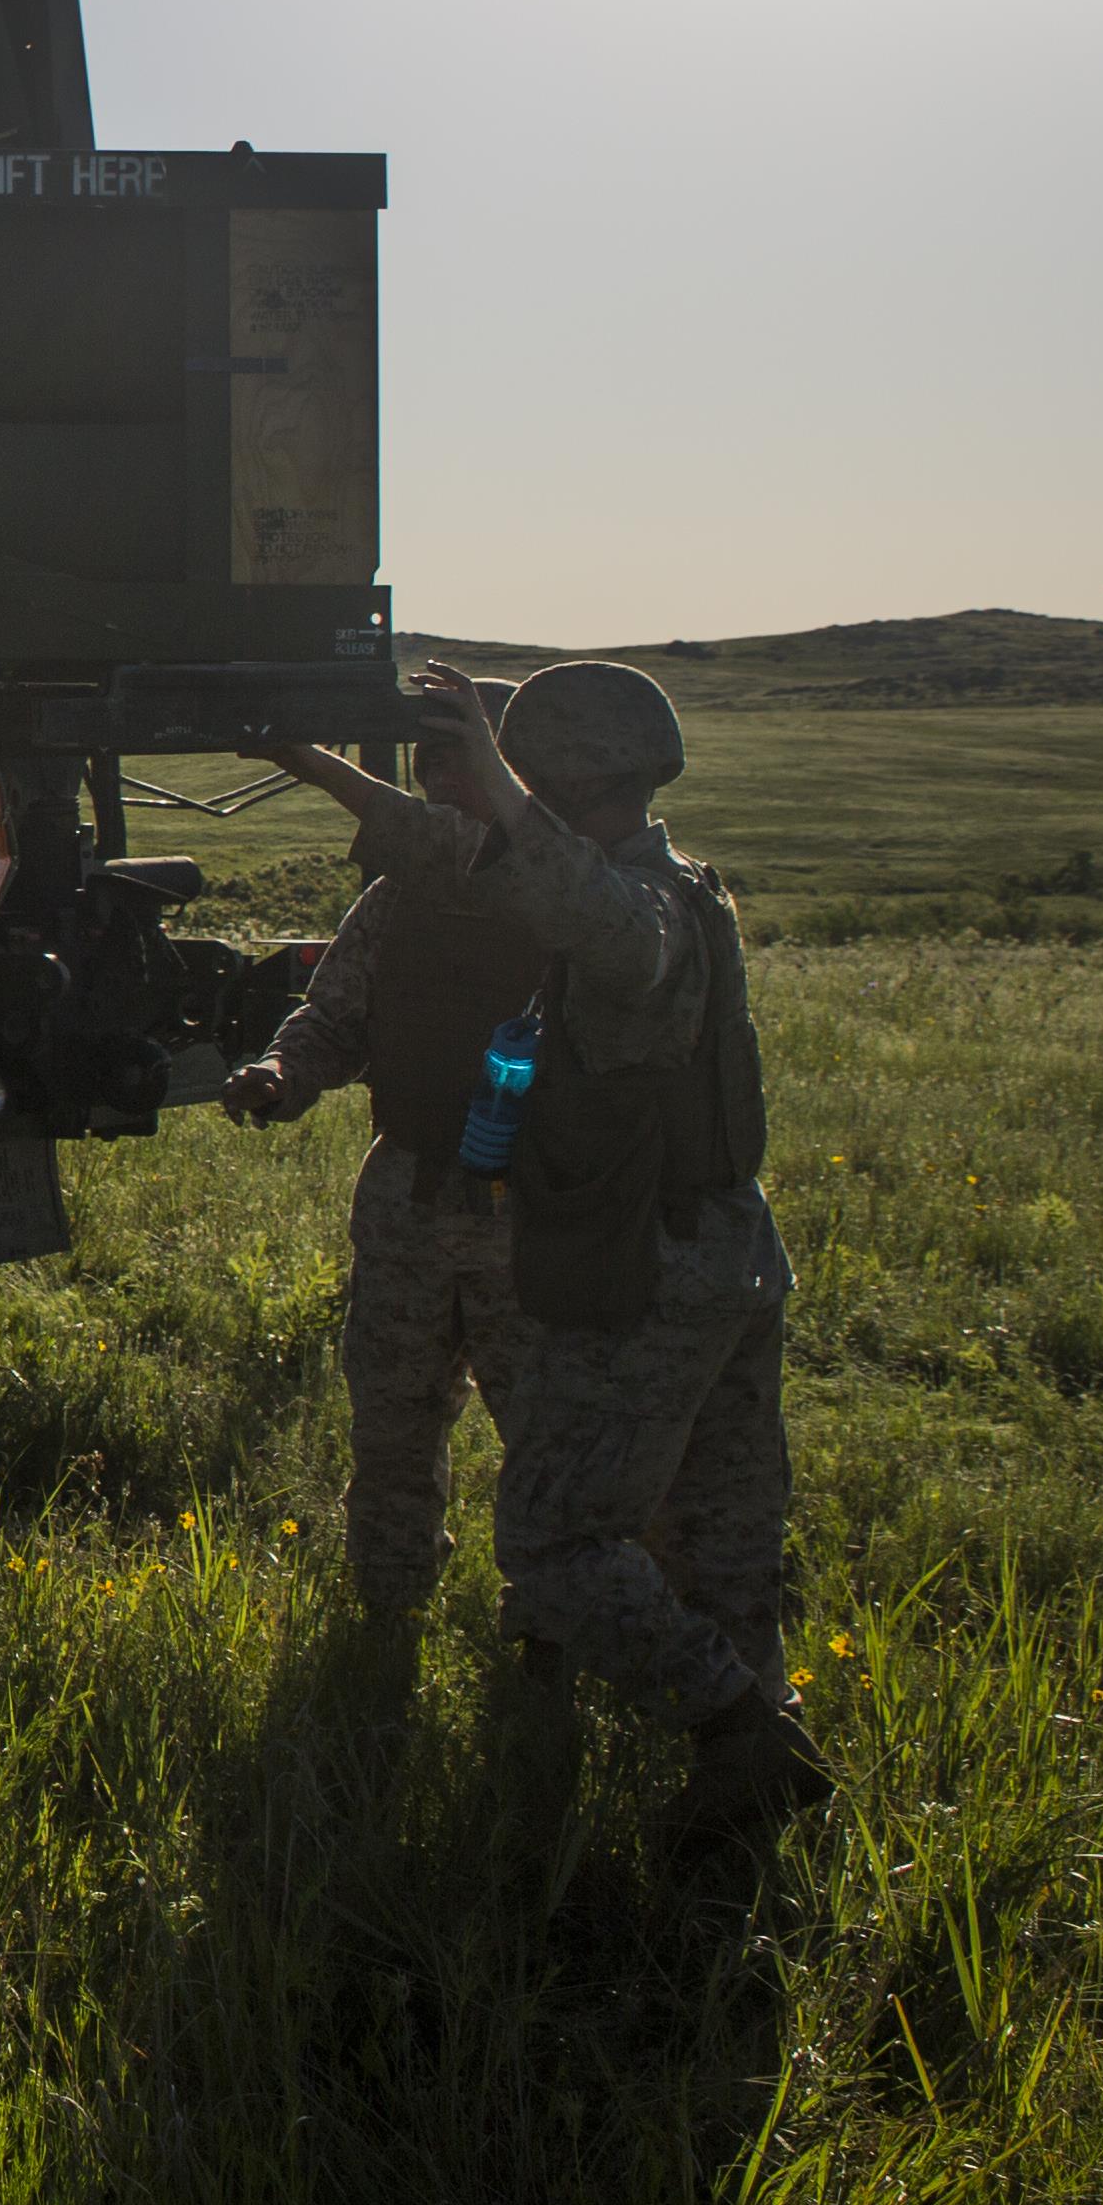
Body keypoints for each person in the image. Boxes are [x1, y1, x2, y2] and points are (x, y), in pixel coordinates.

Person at [277, 661, 829, 1837]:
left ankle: (739, 1730)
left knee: (554, 1537)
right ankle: (753, 1785)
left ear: (551, 770)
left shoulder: (644, 903)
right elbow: (460, 857)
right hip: (728, 1254)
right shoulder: (662, 878)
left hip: (663, 1266)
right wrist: (312, 766)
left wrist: (495, 788)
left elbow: (588, 916)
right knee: (723, 1533)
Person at [221, 764, 553, 1637]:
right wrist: (280, 1076)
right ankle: (389, 1606)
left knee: (548, 1431)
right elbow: (333, 1020)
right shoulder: (395, 904)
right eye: (432, 786)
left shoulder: (573, 901)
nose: (440, 804)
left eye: (462, 781)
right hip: (409, 1197)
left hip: (536, 1214)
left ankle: (552, 1623)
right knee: (392, 1421)